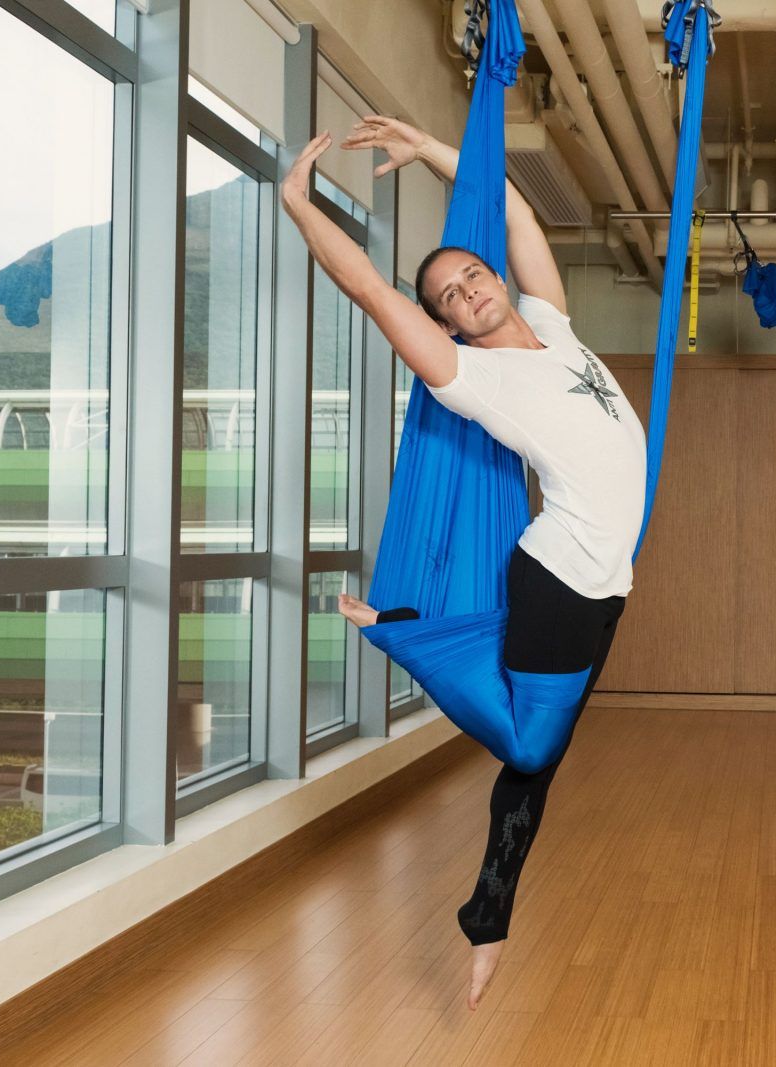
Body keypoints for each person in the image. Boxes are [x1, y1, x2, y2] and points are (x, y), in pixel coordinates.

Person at [278, 117, 647, 1011]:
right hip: (558, 577)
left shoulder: (554, 325)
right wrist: (297, 202)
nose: (468, 291)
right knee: (529, 746)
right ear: (445, 320)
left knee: (534, 770)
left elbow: (514, 210)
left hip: (607, 585)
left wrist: (434, 146)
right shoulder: (471, 378)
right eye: (448, 295)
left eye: (471, 275)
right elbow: (368, 286)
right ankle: (411, 638)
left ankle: (487, 923)